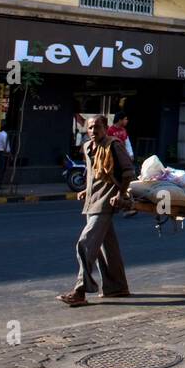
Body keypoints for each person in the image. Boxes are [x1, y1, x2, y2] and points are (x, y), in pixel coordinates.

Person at [58, 116, 134, 306]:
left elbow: (128, 172)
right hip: (92, 200)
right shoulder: (87, 147)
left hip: (106, 202)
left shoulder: (114, 145)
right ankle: (117, 287)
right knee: (106, 248)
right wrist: (86, 190)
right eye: (90, 128)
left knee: (85, 244)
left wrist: (121, 194)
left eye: (97, 127)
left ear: (105, 128)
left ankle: (80, 291)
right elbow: (94, 174)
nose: (93, 131)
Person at [109, 114, 139, 217]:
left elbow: (127, 143)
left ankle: (125, 207)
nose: (127, 121)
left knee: (125, 184)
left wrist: (130, 154)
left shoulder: (123, 131)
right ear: (120, 120)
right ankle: (124, 207)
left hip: (123, 161)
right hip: (114, 162)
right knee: (121, 184)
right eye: (125, 119)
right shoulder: (110, 131)